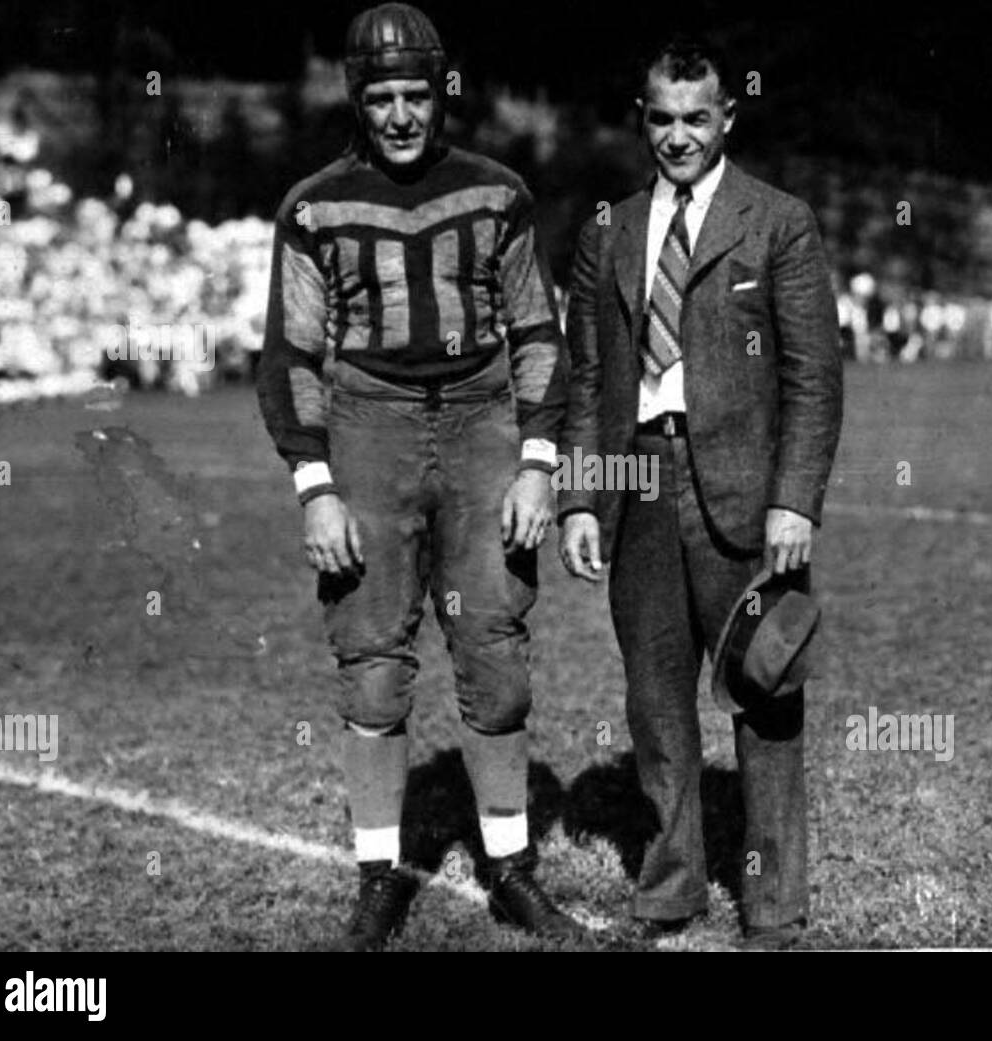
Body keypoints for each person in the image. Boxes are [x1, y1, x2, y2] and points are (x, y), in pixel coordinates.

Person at [257, 3, 580, 950]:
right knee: (371, 659)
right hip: (368, 428)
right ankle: (379, 873)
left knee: (494, 647)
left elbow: (536, 333)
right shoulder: (314, 205)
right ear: (358, 101)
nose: (400, 116)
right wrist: (314, 484)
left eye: (414, 95)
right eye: (380, 97)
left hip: (484, 423)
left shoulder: (497, 193)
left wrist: (535, 463)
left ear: (442, 94)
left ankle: (511, 871)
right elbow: (291, 355)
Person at [558, 36, 844, 947]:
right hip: (638, 474)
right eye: (662, 119)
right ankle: (673, 880)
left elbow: (813, 376)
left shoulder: (777, 221)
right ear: (643, 119)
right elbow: (590, 376)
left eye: (696, 118)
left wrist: (794, 499)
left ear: (728, 117)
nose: (678, 136)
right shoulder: (609, 228)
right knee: (654, 693)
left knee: (765, 687)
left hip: (744, 491)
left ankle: (773, 901)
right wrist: (579, 495)